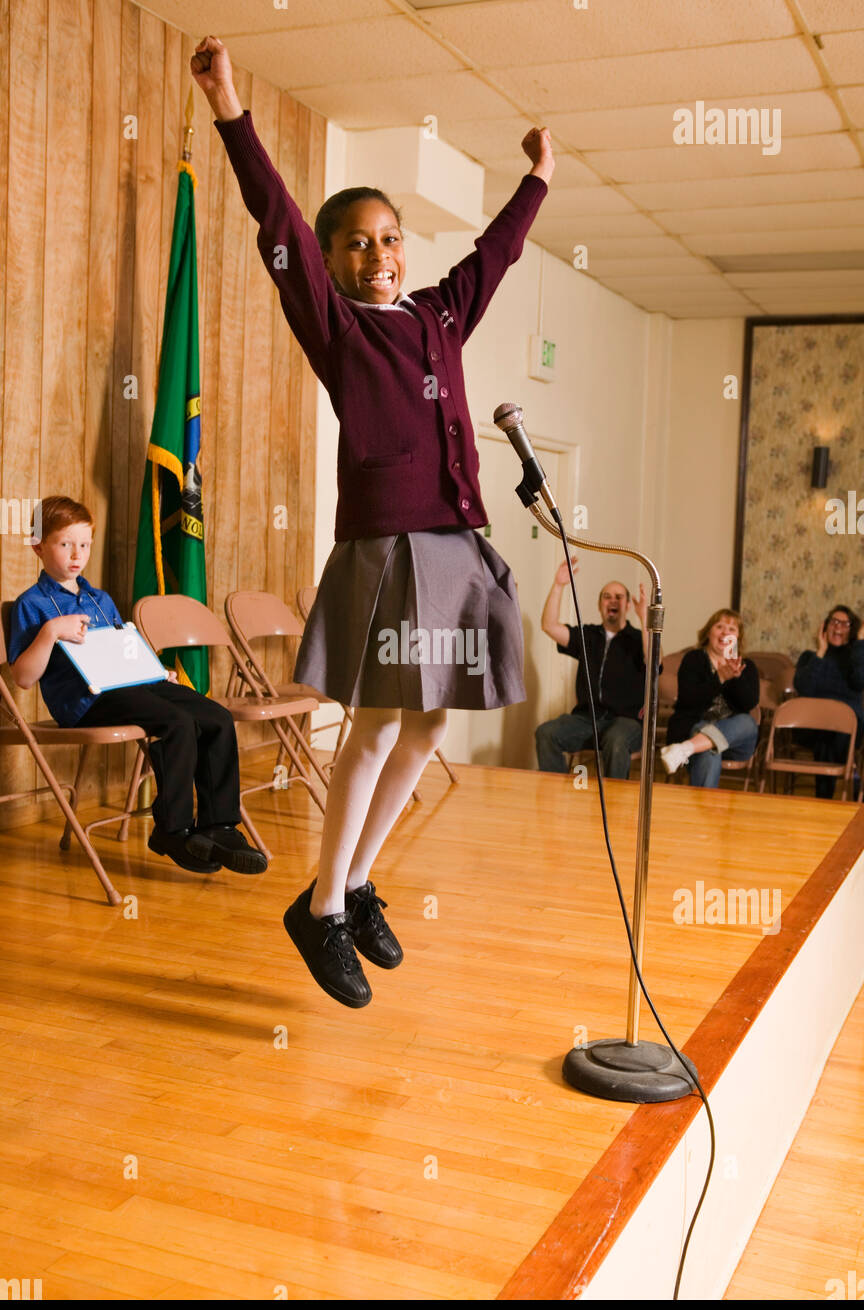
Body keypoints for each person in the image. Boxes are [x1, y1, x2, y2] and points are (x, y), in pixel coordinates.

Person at [192, 36, 554, 1009]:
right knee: (380, 719)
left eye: (388, 236)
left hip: (452, 545)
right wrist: (233, 112)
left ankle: (353, 881)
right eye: (355, 241)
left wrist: (538, 182)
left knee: (430, 721)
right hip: (389, 549)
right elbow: (278, 222)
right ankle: (318, 905)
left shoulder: (440, 316)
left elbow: (496, 254)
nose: (376, 252)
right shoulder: (337, 325)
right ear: (336, 262)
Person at [8, 495, 266, 876]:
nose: (76, 554)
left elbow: (123, 647)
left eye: (84, 544)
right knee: (177, 722)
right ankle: (172, 829)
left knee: (216, 717)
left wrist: (156, 670)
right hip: (86, 703)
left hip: (132, 684)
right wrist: (50, 633)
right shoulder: (32, 605)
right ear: (38, 545)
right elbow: (23, 678)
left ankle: (220, 826)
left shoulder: (99, 599)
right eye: (65, 544)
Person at [535, 555, 652, 778]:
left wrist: (645, 617)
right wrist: (558, 585)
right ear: (600, 605)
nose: (613, 601)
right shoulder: (588, 635)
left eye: (619, 597)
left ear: (628, 605)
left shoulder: (639, 639)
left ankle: (612, 807)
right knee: (546, 733)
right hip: (586, 719)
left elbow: (655, 661)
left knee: (616, 741)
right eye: (607, 597)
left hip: (626, 723)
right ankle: (553, 801)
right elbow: (549, 626)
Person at [661, 608, 759, 787]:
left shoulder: (747, 666)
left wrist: (735, 678)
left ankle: (685, 749)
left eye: (732, 629)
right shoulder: (694, 659)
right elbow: (689, 700)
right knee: (709, 744)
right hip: (693, 730)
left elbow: (749, 703)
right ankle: (704, 813)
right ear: (708, 632)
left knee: (748, 722)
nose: (725, 633)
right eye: (719, 626)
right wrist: (719, 678)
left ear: (738, 638)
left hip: (734, 743)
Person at [793, 605, 864, 799]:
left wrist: (860, 643)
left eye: (845, 624)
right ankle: (852, 771)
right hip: (812, 725)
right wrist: (821, 652)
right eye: (834, 621)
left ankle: (823, 799)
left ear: (853, 629)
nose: (838, 627)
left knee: (834, 732)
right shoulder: (810, 657)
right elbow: (805, 688)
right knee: (826, 731)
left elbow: (860, 681)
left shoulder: (855, 660)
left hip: (846, 729)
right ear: (825, 626)